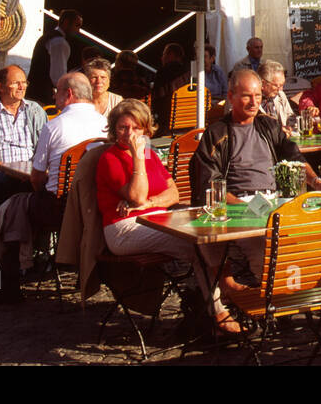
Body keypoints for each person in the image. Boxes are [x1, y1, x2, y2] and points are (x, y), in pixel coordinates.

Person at [95, 99, 234, 332]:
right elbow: (137, 197)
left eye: (136, 128)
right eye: (123, 128)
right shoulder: (110, 158)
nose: (130, 134)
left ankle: (215, 299)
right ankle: (219, 311)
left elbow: (173, 194)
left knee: (210, 232)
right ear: (113, 129)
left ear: (146, 129)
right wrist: (137, 158)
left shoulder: (150, 154)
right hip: (124, 229)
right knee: (195, 243)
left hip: (157, 219)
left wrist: (150, 202)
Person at [191, 69, 321, 289]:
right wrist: (244, 208)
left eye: (258, 96)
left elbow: (294, 157)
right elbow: (211, 184)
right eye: (247, 96)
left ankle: (297, 295)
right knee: (266, 249)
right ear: (231, 97)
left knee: (312, 234)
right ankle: (273, 305)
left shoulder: (268, 126)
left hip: (274, 201)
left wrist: (317, 182)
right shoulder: (217, 133)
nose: (253, 102)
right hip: (239, 207)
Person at [0, 72, 106, 302]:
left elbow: (36, 177)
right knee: (20, 206)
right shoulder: (104, 123)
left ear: (69, 94)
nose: (54, 95)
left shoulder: (55, 126)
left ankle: (8, 283)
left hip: (59, 209)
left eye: (58, 91)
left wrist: (40, 190)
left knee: (11, 208)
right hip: (95, 207)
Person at [0, 65, 45, 236]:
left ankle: (33, 240)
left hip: (30, 170)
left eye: (24, 82)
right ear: (0, 86)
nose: (22, 87)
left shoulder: (35, 111)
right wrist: (3, 168)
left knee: (45, 185)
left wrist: (34, 169)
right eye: (16, 83)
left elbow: (45, 146)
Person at [27, 9, 85, 104]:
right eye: (77, 25)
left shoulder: (48, 37)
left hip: (34, 93)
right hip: (43, 97)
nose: (78, 30)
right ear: (66, 22)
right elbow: (58, 77)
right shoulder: (59, 42)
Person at [150, 43, 190, 134]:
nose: (161, 58)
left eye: (164, 54)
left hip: (167, 122)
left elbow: (157, 99)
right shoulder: (187, 73)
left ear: (171, 55)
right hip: (187, 121)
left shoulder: (163, 72)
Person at [258, 60, 295, 130]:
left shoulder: (280, 95)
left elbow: (291, 117)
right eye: (277, 86)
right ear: (263, 83)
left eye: (282, 85)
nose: (281, 89)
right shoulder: (253, 101)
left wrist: (290, 128)